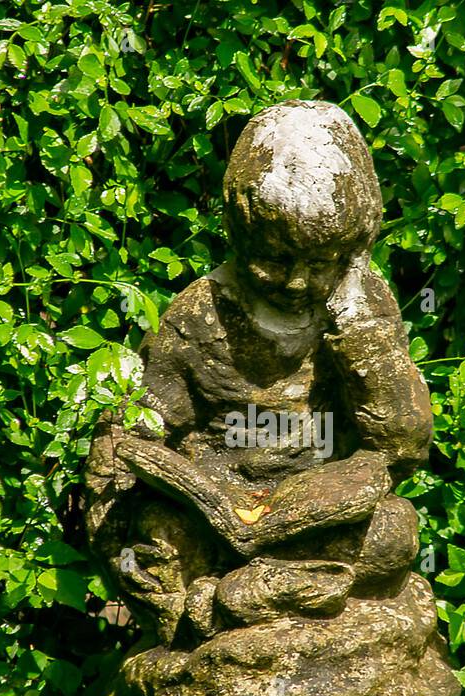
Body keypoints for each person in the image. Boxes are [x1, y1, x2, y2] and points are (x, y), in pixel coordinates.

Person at [85, 100, 433, 647]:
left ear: (353, 253)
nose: (296, 283)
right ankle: (255, 590)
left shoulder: (362, 309)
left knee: (394, 532)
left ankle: (246, 595)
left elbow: (406, 444)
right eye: (273, 258)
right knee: (157, 538)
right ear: (237, 236)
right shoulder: (200, 314)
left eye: (320, 264)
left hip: (316, 520)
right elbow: (134, 429)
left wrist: (361, 327)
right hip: (215, 516)